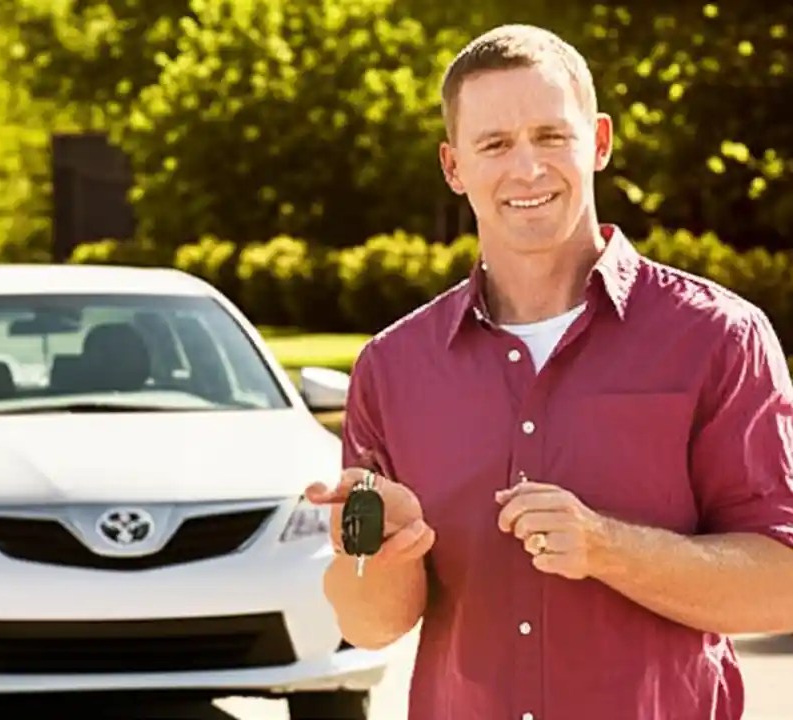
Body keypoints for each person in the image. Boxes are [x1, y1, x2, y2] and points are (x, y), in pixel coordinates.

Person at [306, 23, 793, 720]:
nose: (527, 168)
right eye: (496, 144)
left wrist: (606, 547)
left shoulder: (718, 339)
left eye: (550, 136)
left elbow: (782, 585)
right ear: (453, 166)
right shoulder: (394, 365)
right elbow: (370, 624)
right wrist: (390, 554)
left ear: (598, 142)